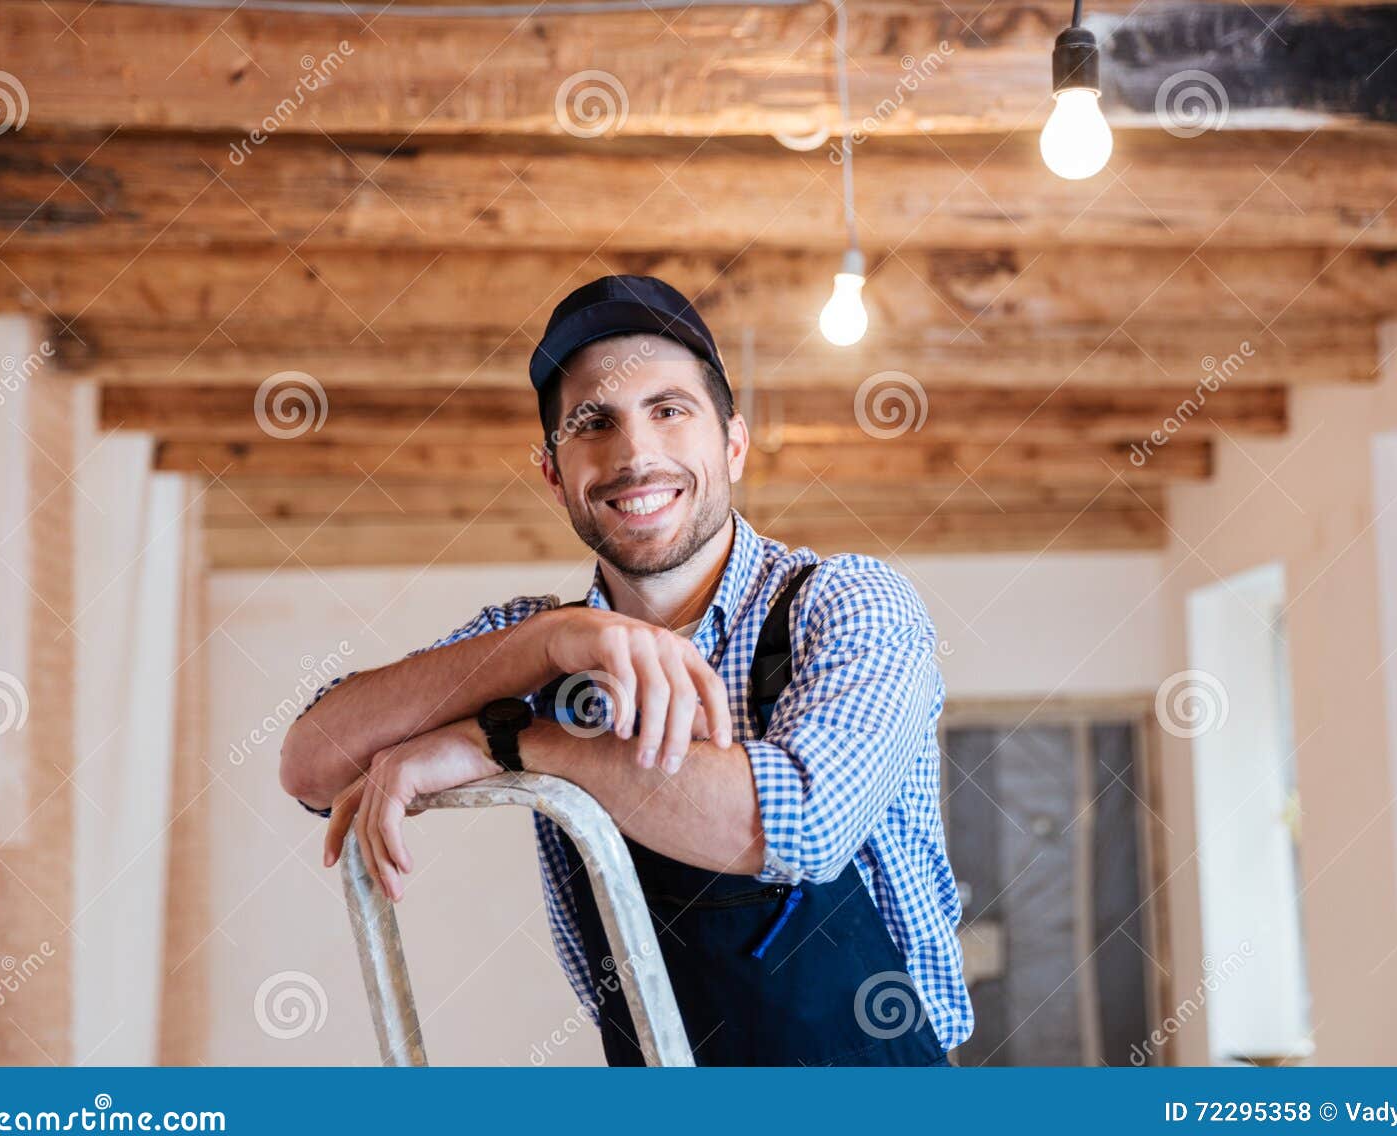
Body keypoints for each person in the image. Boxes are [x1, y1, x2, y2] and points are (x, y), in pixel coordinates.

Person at [279, 274, 972, 1066]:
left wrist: (511, 743)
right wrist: (546, 646)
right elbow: (310, 763)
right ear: (553, 473)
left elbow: (793, 824)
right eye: (593, 423)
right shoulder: (532, 643)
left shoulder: (845, 605)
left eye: (670, 411)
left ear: (733, 443)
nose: (635, 454)